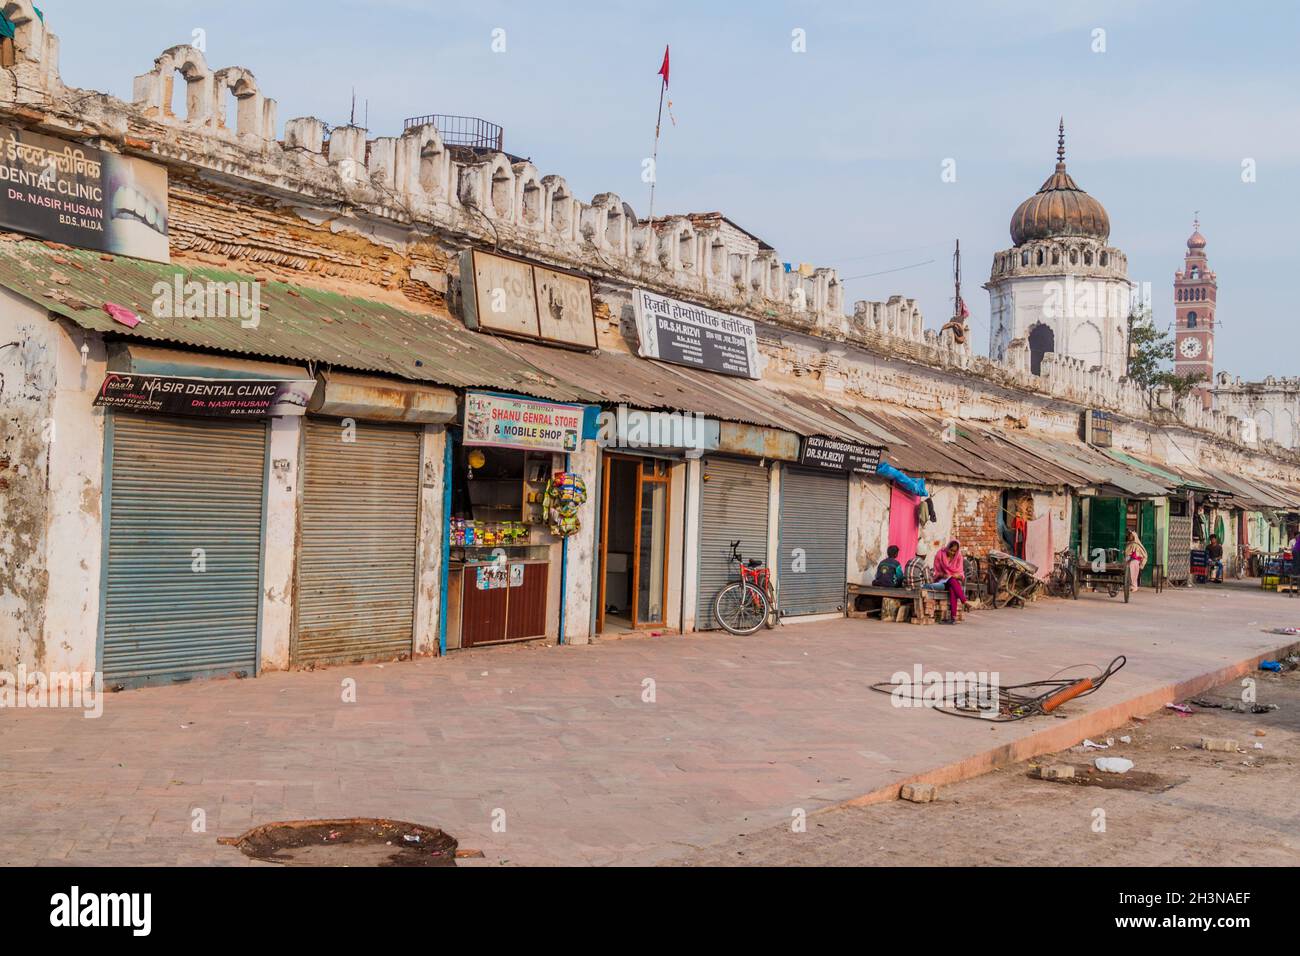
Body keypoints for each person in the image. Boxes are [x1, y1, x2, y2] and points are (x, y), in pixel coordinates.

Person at [932, 539, 972, 624]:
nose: (952, 553)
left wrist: (955, 575)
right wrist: (943, 575)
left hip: (953, 582)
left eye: (955, 551)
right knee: (952, 581)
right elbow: (935, 572)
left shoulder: (959, 557)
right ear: (947, 548)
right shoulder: (940, 554)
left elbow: (961, 574)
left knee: (952, 586)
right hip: (941, 581)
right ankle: (964, 601)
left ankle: (953, 618)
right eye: (951, 550)